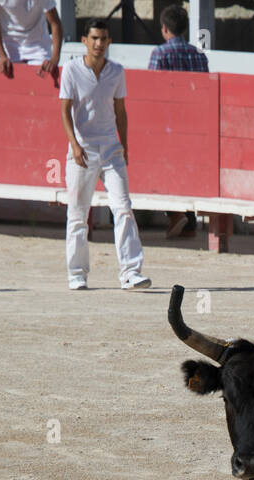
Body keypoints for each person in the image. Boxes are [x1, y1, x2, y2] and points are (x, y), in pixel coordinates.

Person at [60, 19, 149, 291]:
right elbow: (64, 110)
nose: (99, 44)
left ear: (109, 42)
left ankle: (130, 272)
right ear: (85, 41)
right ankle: (76, 273)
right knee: (78, 213)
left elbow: (120, 111)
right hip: (83, 150)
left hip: (111, 149)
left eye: (104, 39)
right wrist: (74, 145)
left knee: (123, 207)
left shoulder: (117, 72)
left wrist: (125, 145)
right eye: (95, 38)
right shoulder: (72, 70)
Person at [148, 4, 207, 239]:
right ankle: (189, 222)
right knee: (189, 170)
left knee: (163, 169)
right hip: (194, 123)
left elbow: (152, 92)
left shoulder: (160, 54)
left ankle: (175, 214)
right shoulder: (198, 55)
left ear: (164, 29)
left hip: (168, 123)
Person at [0, 0, 61, 78]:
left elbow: (55, 23)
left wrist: (54, 59)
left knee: (43, 80)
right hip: (9, 49)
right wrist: (2, 55)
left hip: (39, 48)